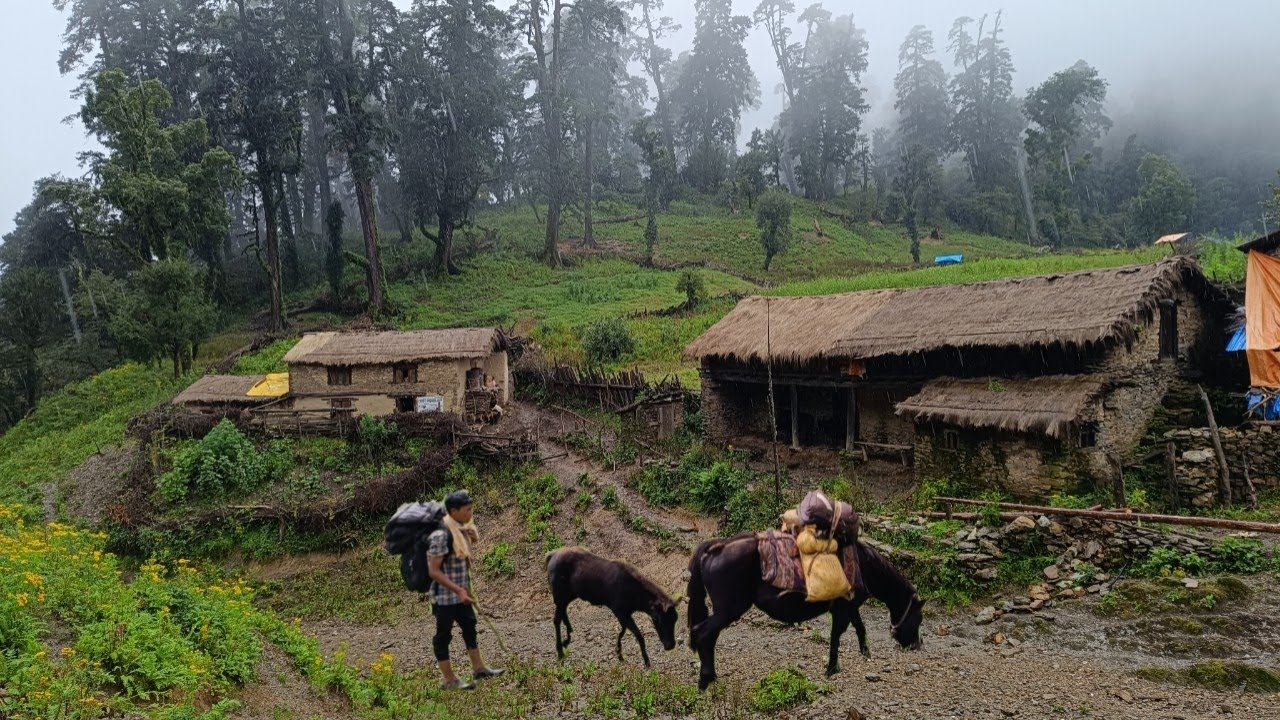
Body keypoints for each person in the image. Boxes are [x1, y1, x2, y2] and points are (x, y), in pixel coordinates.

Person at [427, 489, 504, 690]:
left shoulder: (459, 529)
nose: (471, 514)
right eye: (467, 510)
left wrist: (465, 590)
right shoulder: (440, 535)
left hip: (461, 594)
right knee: (443, 635)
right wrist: (458, 590)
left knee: (470, 626)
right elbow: (434, 571)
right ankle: (448, 679)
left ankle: (478, 668)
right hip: (445, 597)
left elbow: (461, 561)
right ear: (454, 511)